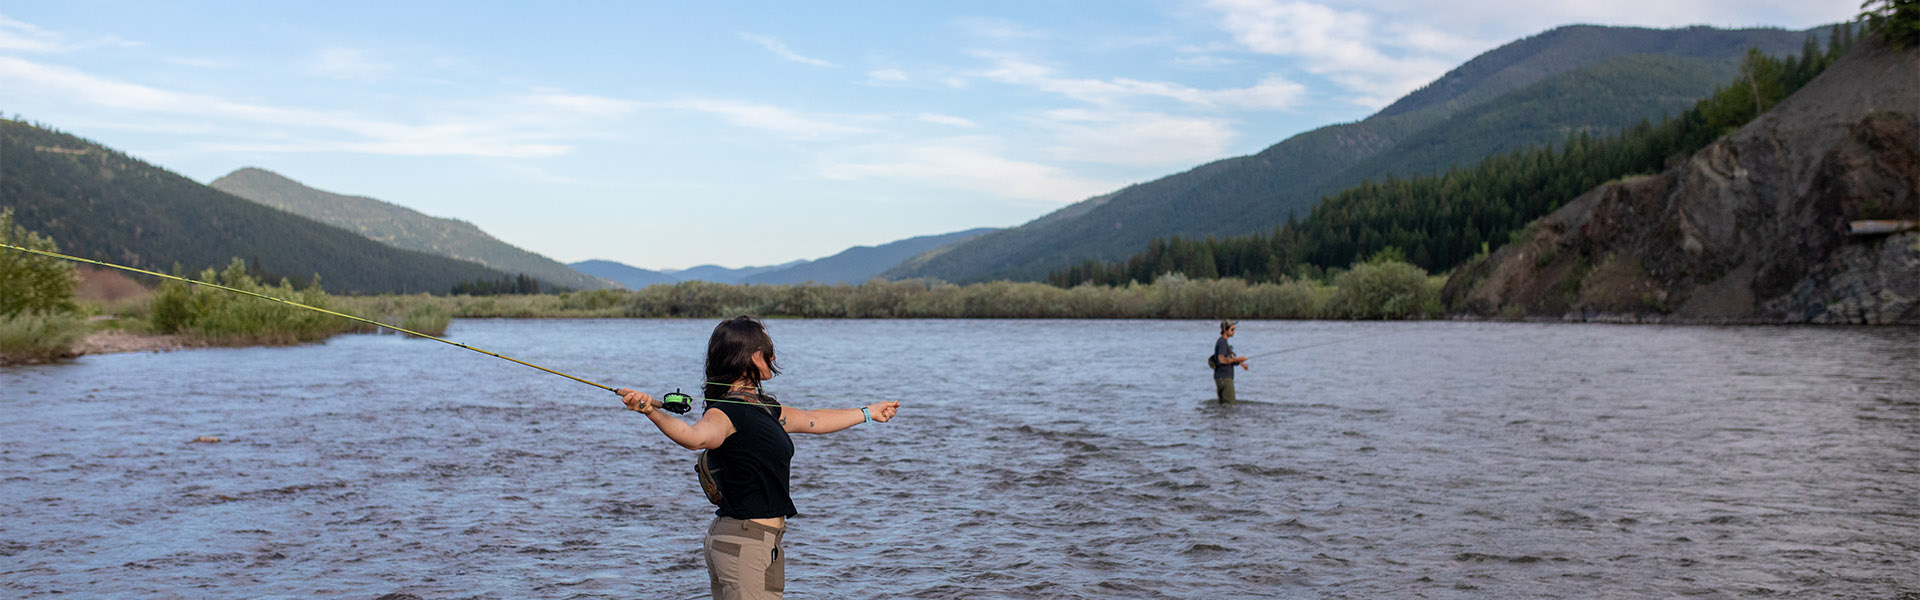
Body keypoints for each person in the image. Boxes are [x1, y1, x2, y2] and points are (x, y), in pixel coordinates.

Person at [617, 316, 900, 599]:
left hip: (762, 542)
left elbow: (813, 419)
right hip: (743, 543)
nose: (773, 355)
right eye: (767, 348)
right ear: (747, 356)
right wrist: (650, 410)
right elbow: (694, 438)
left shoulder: (762, 408)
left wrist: (868, 413)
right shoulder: (725, 413)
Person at [1213, 319, 1249, 404]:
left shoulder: (1224, 342)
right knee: (1230, 404)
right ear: (1225, 330)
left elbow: (1228, 359)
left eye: (1234, 329)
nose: (1234, 331)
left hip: (1223, 378)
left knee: (1224, 405)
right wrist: (1239, 359)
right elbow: (1221, 359)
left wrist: (1241, 364)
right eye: (1232, 329)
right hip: (1224, 378)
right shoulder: (1222, 342)